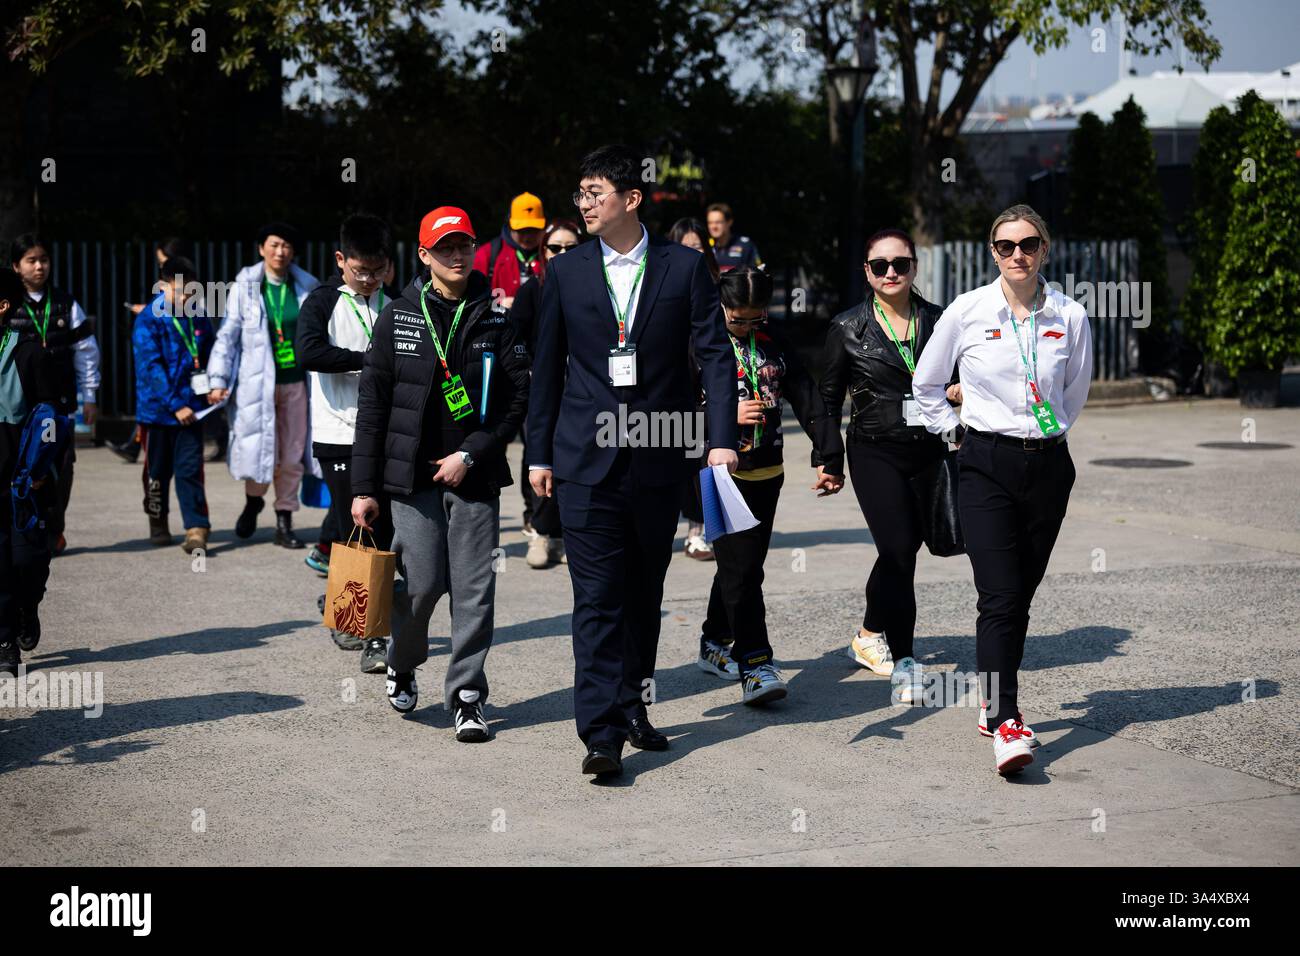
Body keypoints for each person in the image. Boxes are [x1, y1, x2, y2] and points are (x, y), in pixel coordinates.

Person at [527, 144, 739, 779]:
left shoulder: (684, 267)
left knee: (644, 595)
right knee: (596, 599)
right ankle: (600, 735)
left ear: (631, 199)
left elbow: (717, 354)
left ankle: (633, 704)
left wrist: (720, 437)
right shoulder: (564, 274)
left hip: (658, 458)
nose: (585, 204)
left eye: (595, 192)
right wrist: (538, 452)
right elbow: (546, 368)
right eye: (581, 194)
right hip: (583, 460)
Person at [912, 204, 1093, 776]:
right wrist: (953, 432)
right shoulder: (968, 310)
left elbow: (1074, 392)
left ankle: (992, 703)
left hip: (1048, 468)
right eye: (1007, 246)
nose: (1019, 255)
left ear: (1046, 248)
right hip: (984, 463)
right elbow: (926, 384)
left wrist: (1046, 436)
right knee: (999, 597)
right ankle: (1008, 720)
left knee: (1020, 595)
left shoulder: (1071, 315)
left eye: (1029, 244)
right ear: (993, 252)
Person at [352, 207, 530, 742]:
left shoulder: (497, 316)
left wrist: (471, 454)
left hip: (474, 474)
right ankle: (402, 663)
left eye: (464, 245)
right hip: (410, 480)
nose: (457, 255)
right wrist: (364, 488)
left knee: (474, 589)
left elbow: (517, 397)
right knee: (424, 585)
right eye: (444, 247)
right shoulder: (398, 316)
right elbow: (373, 407)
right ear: (425, 255)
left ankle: (468, 696)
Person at [820, 228, 959, 702]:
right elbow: (827, 399)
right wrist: (828, 460)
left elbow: (963, 377)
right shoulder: (847, 328)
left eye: (901, 264)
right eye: (880, 265)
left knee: (903, 551)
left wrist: (960, 393)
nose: (891, 273)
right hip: (873, 449)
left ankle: (868, 633)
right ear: (867, 271)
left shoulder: (942, 322)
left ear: (914, 267)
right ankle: (905, 662)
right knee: (900, 549)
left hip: (930, 449)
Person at [695, 267, 845, 704]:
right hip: (721, 474)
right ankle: (756, 665)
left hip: (768, 472)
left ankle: (712, 640)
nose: (746, 326)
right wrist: (724, 417)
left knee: (744, 569)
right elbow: (667, 410)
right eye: (737, 318)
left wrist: (829, 455)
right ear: (720, 305)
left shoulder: (774, 338)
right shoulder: (699, 341)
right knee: (742, 571)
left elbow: (804, 393)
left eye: (755, 318)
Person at [297, 213, 395, 673]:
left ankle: (350, 609)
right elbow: (309, 351)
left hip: (384, 435)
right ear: (341, 260)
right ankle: (355, 621)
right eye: (361, 271)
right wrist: (367, 360)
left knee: (377, 527)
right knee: (349, 526)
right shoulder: (322, 301)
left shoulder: (393, 302)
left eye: (378, 271)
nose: (370, 279)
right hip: (338, 434)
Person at [206, 222, 320, 548]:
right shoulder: (245, 287)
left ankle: (284, 520)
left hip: (296, 383)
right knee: (258, 447)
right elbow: (227, 338)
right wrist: (217, 379)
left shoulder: (307, 288)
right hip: (257, 385)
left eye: (286, 246)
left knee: (292, 452)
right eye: (273, 244)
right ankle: (254, 502)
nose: (280, 251)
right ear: (261, 248)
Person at [9, 234, 101, 555]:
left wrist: (90, 396)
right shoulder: (8, 307)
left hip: (58, 407)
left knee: (60, 468)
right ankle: (23, 528)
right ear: (16, 267)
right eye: (31, 261)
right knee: (20, 466)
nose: (39, 267)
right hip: (19, 408)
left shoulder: (65, 304)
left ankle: (54, 530)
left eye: (43, 260)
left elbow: (86, 352)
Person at [507, 218, 581, 569]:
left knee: (575, 461)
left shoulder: (593, 287)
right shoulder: (532, 289)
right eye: (555, 248)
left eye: (571, 247)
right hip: (542, 390)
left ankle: (565, 534)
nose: (562, 253)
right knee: (539, 458)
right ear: (542, 251)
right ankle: (540, 531)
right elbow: (513, 339)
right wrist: (533, 370)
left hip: (582, 390)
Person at [0, 269, 63, 674]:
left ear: (3, 306)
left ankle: (27, 608)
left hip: (24, 482)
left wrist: (42, 470)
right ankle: (5, 640)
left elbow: (53, 418)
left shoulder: (30, 355)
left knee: (29, 561)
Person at [132, 255, 214, 553]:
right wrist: (176, 403)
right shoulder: (149, 319)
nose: (186, 296)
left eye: (192, 290)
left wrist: (215, 386)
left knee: (190, 468)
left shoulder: (198, 315)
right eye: (180, 291)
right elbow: (150, 367)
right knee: (157, 472)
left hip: (193, 410)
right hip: (158, 413)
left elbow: (209, 355)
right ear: (164, 285)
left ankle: (196, 528)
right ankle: (157, 520)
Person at [113, 237, 197, 464]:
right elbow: (151, 365)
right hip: (163, 403)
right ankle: (133, 444)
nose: (162, 268)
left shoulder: (193, 303)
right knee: (157, 479)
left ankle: (133, 445)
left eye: (165, 262)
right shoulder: (154, 313)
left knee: (187, 475)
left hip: (184, 399)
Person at [668, 217, 720, 561]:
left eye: (698, 249)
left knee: (707, 459)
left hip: (709, 387)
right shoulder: (662, 286)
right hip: (674, 387)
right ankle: (690, 527)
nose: (691, 255)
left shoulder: (718, 288)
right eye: (684, 249)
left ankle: (703, 530)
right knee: (683, 459)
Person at [473, 191, 547, 309]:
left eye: (534, 230)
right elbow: (470, 299)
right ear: (509, 225)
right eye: (521, 231)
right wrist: (497, 304)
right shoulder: (487, 255)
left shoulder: (551, 253)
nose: (528, 237)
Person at [705, 203, 762, 273]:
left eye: (718, 222)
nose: (713, 227)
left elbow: (757, 274)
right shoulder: (705, 246)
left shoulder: (745, 245)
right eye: (710, 223)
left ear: (729, 222)